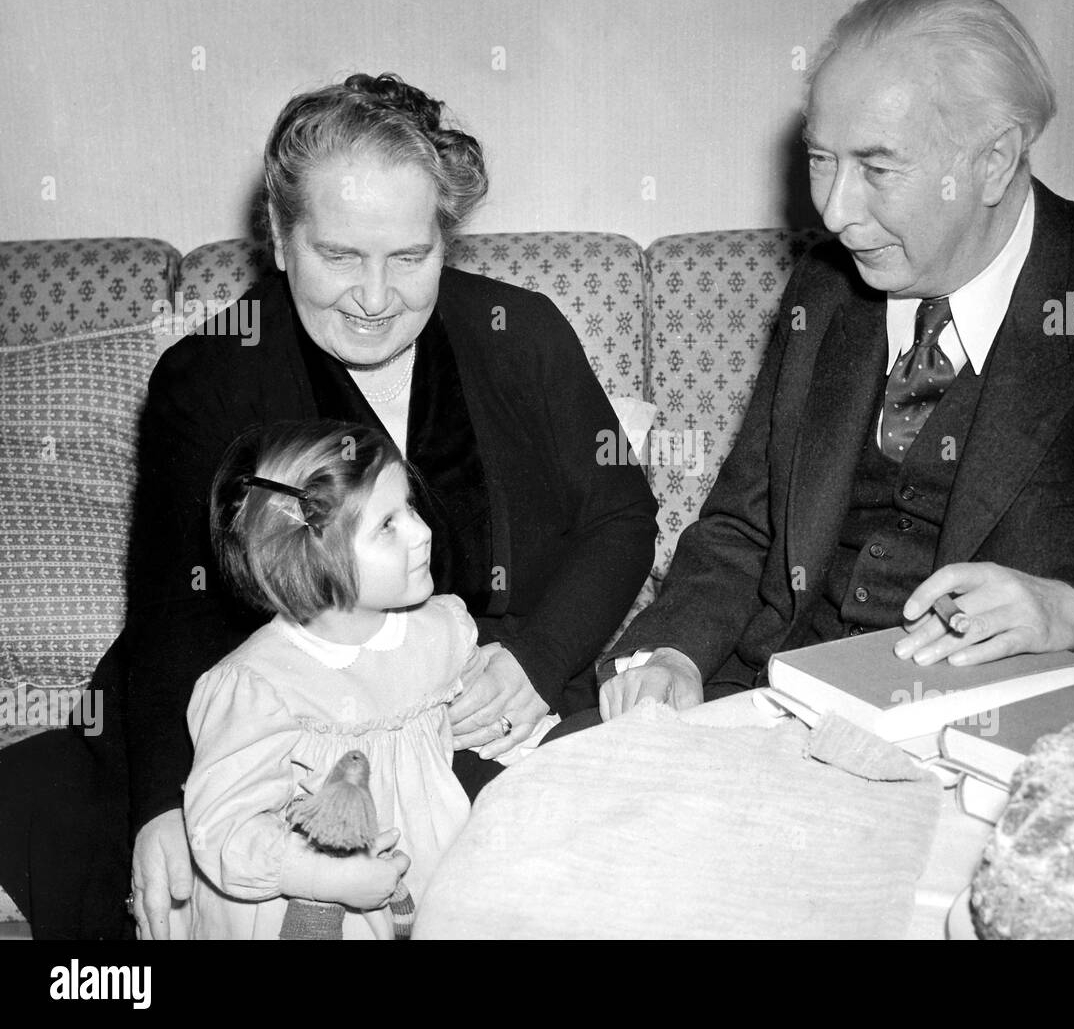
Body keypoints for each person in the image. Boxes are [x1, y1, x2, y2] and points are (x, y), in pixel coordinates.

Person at [0, 73, 657, 939]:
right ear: (281, 236)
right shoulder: (211, 374)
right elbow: (175, 609)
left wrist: (538, 658)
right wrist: (161, 805)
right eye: (341, 256)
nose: (376, 297)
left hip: (485, 715)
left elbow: (622, 516)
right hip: (273, 738)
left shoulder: (522, 330)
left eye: (410, 257)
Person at [598, 0, 1074, 719]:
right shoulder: (824, 291)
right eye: (821, 159)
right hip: (772, 695)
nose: (834, 211)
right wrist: (669, 650)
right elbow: (743, 525)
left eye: (878, 169)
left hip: (1007, 730)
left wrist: (1069, 610)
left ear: (993, 161)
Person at [185, 420, 509, 939]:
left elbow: (490, 716)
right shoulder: (257, 687)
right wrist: (326, 879)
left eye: (410, 507)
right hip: (309, 910)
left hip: (431, 887)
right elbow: (222, 830)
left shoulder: (437, 630)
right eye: (387, 525)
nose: (422, 532)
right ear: (307, 559)